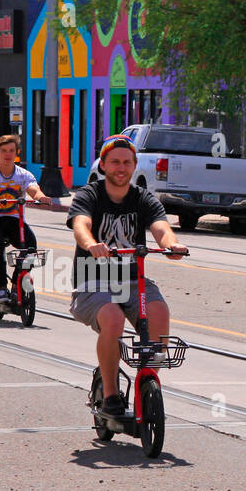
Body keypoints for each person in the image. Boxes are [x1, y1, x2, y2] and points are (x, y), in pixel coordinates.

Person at [68, 134, 188, 421]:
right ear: (103, 165)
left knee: (159, 312)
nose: (120, 168)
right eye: (114, 162)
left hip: (132, 280)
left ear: (134, 165)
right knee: (113, 319)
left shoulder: (142, 198)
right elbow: (80, 224)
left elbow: (161, 226)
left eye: (126, 162)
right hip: (92, 280)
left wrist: (171, 244)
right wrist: (91, 244)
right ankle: (110, 395)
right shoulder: (90, 194)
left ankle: (145, 384)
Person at [0, 133, 51, 302]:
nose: (8, 154)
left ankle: (18, 284)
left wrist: (41, 196)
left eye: (11, 150)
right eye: (4, 151)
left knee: (30, 247)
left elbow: (33, 188)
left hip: (14, 221)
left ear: (17, 153)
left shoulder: (23, 174)